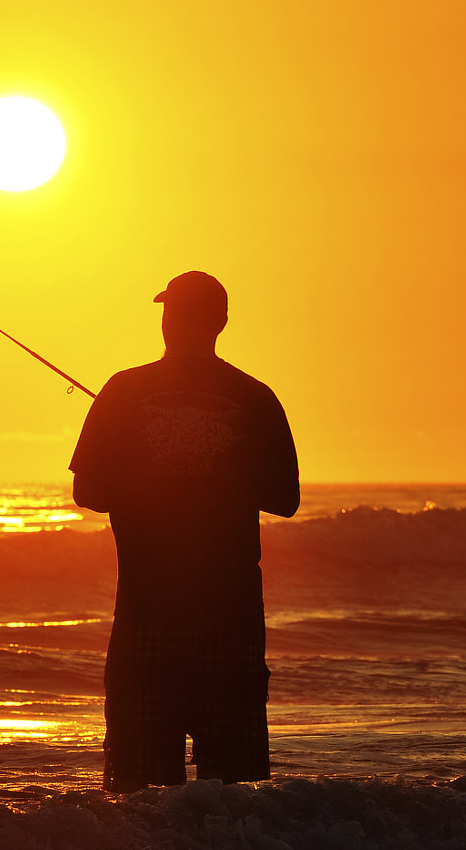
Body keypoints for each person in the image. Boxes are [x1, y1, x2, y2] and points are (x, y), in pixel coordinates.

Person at [69, 271, 299, 791]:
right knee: (236, 791)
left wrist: (153, 473)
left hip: (148, 609)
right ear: (220, 322)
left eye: (175, 312)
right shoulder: (256, 397)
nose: (172, 322)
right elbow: (285, 499)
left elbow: (88, 493)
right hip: (230, 613)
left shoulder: (123, 391)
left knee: (137, 790)